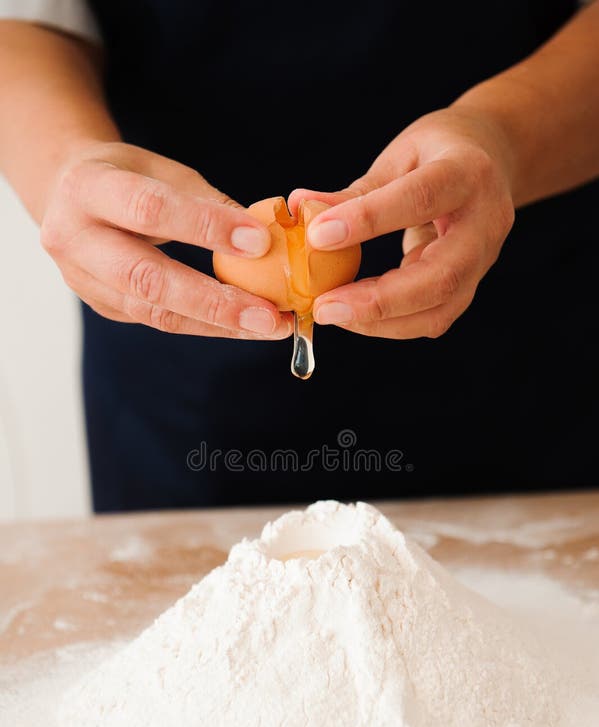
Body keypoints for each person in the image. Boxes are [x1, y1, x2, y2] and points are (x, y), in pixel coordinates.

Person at [0, 1, 598, 512]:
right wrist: (65, 164)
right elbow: (24, 20)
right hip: (177, 367)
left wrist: (503, 137)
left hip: (515, 333)